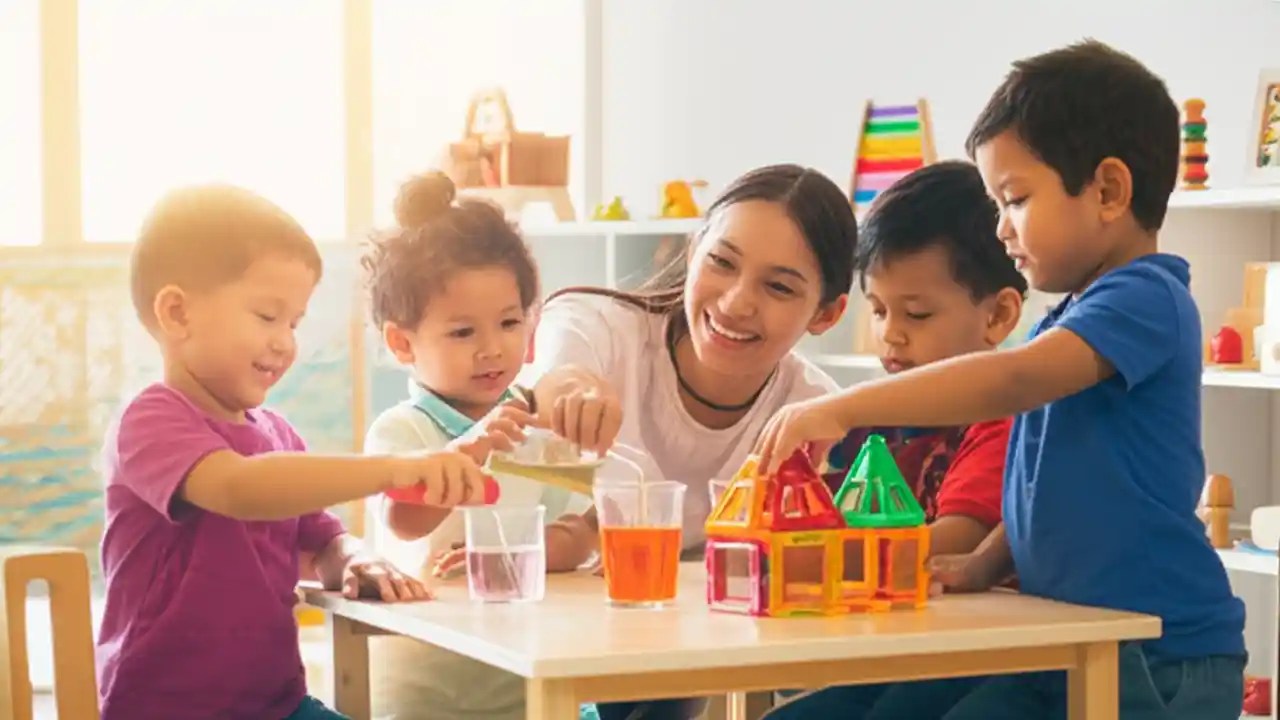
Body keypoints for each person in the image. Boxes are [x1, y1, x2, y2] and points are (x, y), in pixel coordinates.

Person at [755, 40, 1246, 720]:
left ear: (1107, 191)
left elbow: (1009, 379)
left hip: (1158, 655)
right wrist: (986, 561)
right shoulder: (1072, 322)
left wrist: (844, 410)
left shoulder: (1146, 300)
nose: (1001, 229)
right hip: (1062, 641)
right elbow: (1058, 480)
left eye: (1013, 199)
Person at [96, 185, 486, 720]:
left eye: (294, 323)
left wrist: (355, 557)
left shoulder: (278, 435)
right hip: (165, 709)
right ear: (177, 313)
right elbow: (238, 487)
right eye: (266, 316)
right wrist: (395, 469)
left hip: (277, 706)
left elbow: (321, 539)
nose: (285, 342)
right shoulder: (151, 420)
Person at [520, 163, 859, 720]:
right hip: (559, 643)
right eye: (722, 263)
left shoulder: (811, 412)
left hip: (689, 653)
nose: (736, 303)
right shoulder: (603, 326)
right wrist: (574, 389)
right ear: (694, 247)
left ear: (827, 313)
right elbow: (561, 364)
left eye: (778, 286)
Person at [767, 160, 1025, 718]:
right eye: (879, 310)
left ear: (999, 315)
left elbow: (956, 539)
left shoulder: (1001, 420)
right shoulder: (878, 416)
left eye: (917, 313)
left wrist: (821, 562)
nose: (891, 333)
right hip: (897, 649)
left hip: (981, 657)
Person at [361, 171, 594, 720]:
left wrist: (537, 552)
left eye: (509, 323)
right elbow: (405, 519)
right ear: (402, 342)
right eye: (463, 333)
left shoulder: (536, 423)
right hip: (430, 691)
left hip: (538, 686)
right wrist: (473, 447)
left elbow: (585, 528)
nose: (492, 349)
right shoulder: (401, 431)